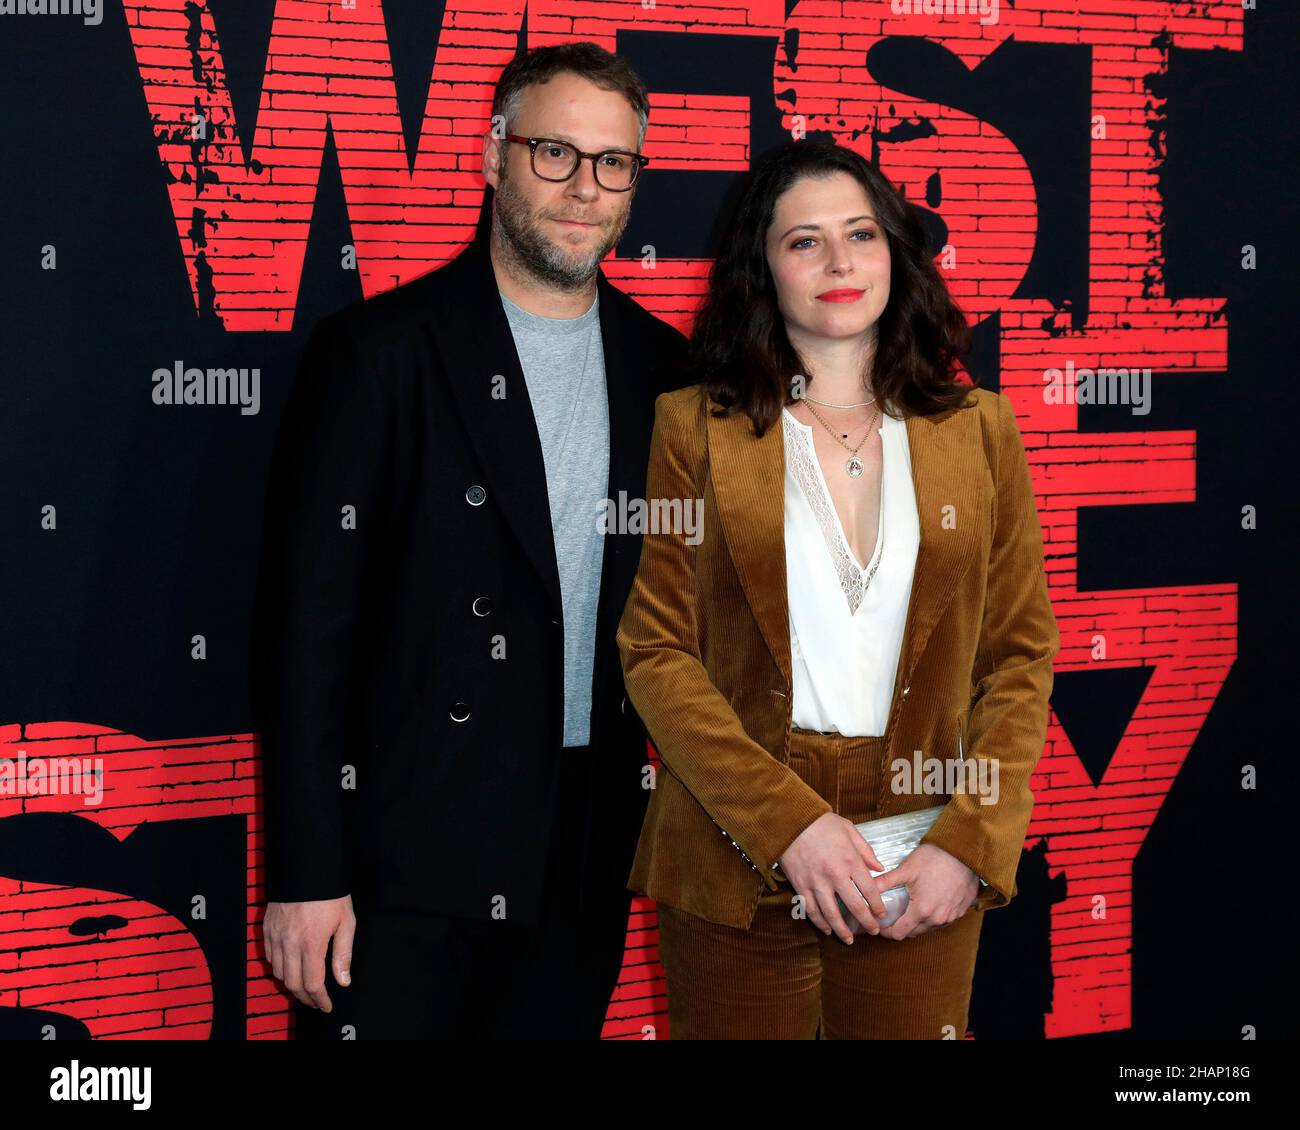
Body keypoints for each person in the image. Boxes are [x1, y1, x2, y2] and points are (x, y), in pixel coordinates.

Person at [253, 42, 688, 1039]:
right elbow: (305, 635)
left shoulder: (666, 369)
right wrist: (306, 873)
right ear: (493, 155)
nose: (585, 189)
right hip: (403, 855)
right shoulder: (377, 353)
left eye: (612, 162)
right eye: (554, 153)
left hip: (581, 847)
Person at [616, 140, 1060, 1039]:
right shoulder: (693, 428)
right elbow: (657, 653)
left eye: (860, 233)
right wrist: (791, 827)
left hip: (922, 865)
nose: (840, 262)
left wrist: (967, 845)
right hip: (733, 853)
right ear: (762, 269)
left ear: (895, 250)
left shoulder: (980, 429)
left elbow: (1019, 657)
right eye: (803, 241)